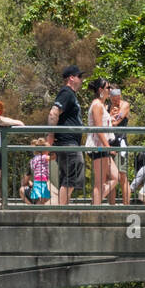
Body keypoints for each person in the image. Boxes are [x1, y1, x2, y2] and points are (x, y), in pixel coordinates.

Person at [47, 66, 85, 206]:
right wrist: (50, 136)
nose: (81, 80)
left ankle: (63, 209)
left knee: (68, 177)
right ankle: (62, 212)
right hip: (67, 142)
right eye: (79, 76)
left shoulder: (70, 94)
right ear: (71, 78)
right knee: (71, 176)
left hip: (69, 143)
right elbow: (53, 112)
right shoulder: (66, 92)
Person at [86, 78, 118, 206]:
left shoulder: (101, 105)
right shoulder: (97, 105)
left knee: (115, 177)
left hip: (102, 146)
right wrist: (108, 147)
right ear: (100, 90)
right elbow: (98, 129)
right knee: (99, 183)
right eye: (108, 88)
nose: (110, 90)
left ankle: (95, 202)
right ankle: (95, 209)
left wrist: (111, 118)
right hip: (98, 147)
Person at [107, 86, 132, 204]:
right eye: (113, 99)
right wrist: (110, 116)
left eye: (117, 98)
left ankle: (126, 206)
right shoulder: (107, 107)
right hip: (109, 143)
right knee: (110, 177)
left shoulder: (125, 105)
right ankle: (111, 206)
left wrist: (111, 118)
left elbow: (117, 121)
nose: (116, 101)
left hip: (120, 142)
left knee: (122, 176)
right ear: (110, 97)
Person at [20, 138, 52, 204]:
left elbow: (33, 168)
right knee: (42, 197)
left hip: (37, 178)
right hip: (42, 178)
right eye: (48, 150)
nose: (49, 152)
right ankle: (38, 209)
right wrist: (55, 155)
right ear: (43, 151)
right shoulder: (44, 157)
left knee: (41, 195)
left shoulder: (33, 160)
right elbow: (51, 158)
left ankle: (36, 207)